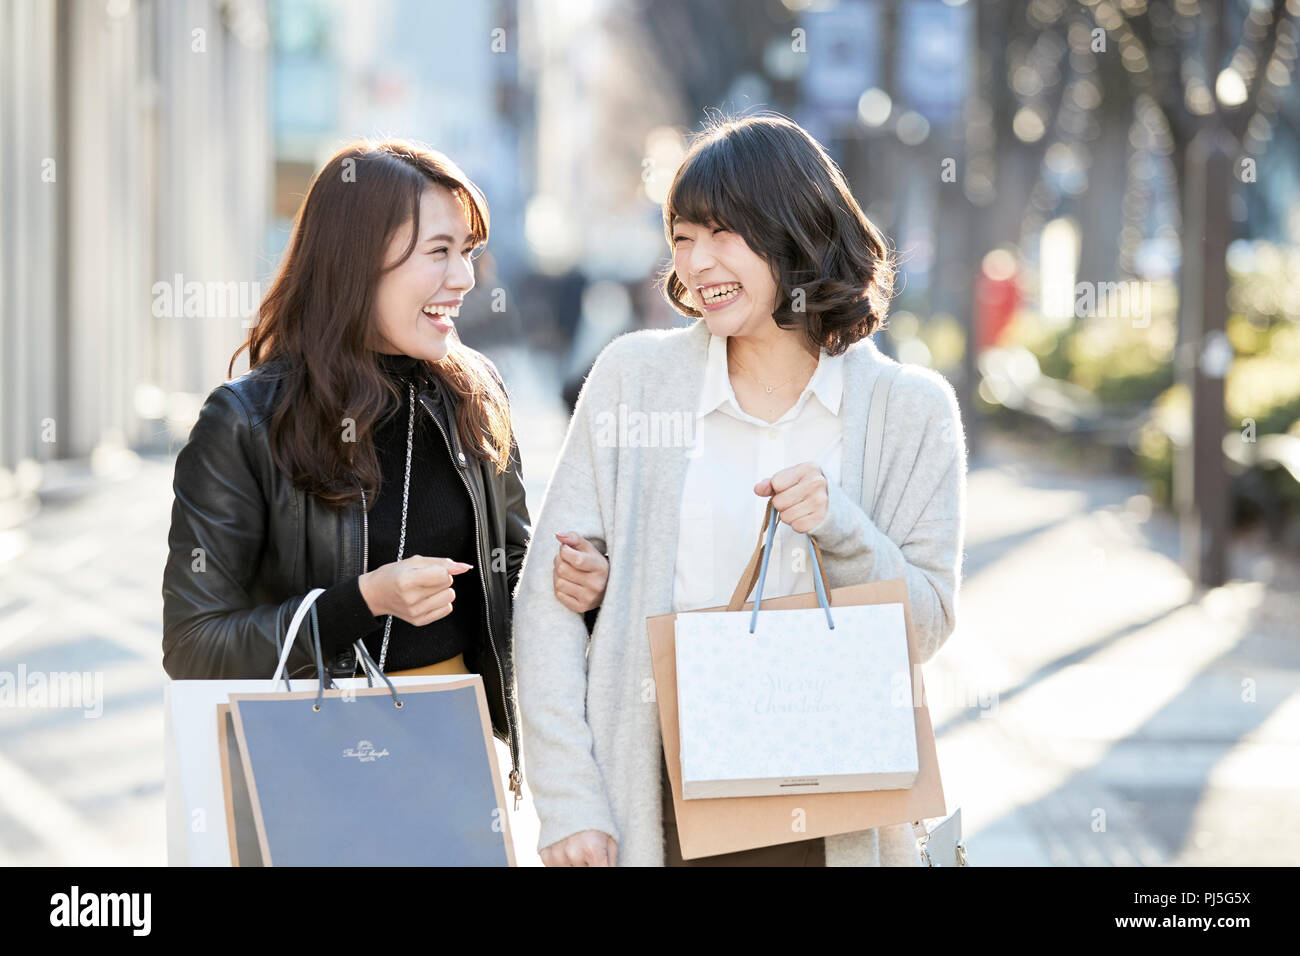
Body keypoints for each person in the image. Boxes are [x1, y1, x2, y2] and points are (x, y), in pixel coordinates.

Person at [513, 114, 967, 866]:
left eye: (723, 233)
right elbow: (547, 604)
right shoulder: (635, 379)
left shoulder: (910, 410)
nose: (695, 263)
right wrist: (568, 801)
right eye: (682, 238)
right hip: (657, 804)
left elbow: (925, 627)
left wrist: (841, 529)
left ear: (796, 230)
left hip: (834, 811)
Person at [161, 139, 607, 810]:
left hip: (456, 757)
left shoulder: (475, 393)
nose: (464, 279)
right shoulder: (247, 422)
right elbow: (195, 646)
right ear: (357, 261)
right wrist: (360, 602)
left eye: (469, 253)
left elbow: (511, 578)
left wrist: (581, 589)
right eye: (439, 252)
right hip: (302, 770)